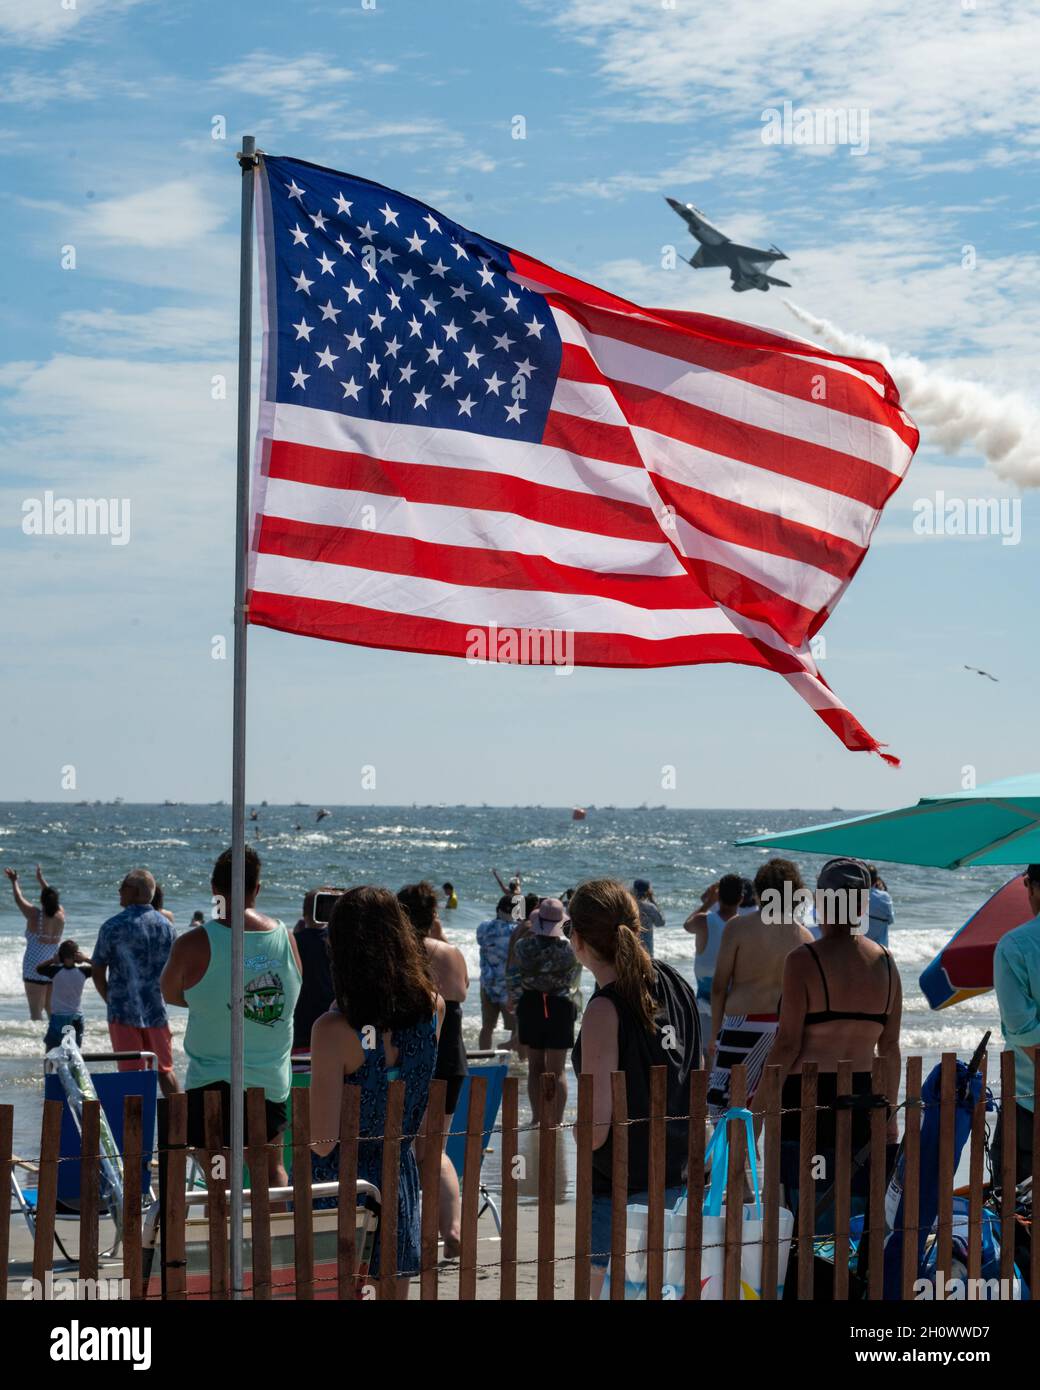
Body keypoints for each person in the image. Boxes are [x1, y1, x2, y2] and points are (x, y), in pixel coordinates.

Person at [568, 879, 701, 1297]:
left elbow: (596, 1130)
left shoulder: (604, 1009)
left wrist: (573, 1129)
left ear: (579, 940)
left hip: (621, 1191)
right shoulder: (677, 984)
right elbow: (694, 1076)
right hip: (678, 1177)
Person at [310, 887, 443, 1295]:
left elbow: (321, 1140)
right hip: (397, 1174)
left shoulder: (333, 1031)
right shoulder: (433, 1007)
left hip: (342, 1185)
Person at [765, 858, 901, 1211]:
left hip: (808, 1100)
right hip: (863, 1096)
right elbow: (889, 1047)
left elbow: (788, 1043)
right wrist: (890, 1113)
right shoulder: (886, 961)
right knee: (852, 1207)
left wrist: (759, 1104)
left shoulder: (802, 961)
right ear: (861, 906)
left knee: (802, 1207)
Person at [160, 847, 301, 1175]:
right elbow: (291, 995)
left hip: (211, 1079)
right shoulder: (286, 940)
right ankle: (276, 1227)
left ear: (213, 889)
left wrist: (212, 1003)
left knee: (217, 1172)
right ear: (257, 889)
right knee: (271, 1167)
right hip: (269, 1079)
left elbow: (170, 994)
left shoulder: (192, 944)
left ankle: (222, 1227)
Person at [707, 859, 814, 1120]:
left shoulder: (738, 927)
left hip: (740, 1026)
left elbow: (719, 986)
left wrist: (714, 1035)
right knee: (767, 1109)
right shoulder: (804, 937)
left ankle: (737, 1160)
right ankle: (757, 1159)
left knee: (725, 1110)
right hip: (781, 1031)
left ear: (759, 890)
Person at [397, 881, 469, 1258]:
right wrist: (440, 934)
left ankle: (424, 1235)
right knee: (437, 1148)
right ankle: (451, 1228)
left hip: (420, 1053)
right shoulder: (452, 953)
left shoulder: (401, 953)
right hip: (453, 1057)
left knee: (412, 1148)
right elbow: (464, 990)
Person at [93, 868, 179, 1097]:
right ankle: (183, 1126)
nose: (119, 891)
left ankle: (135, 1130)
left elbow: (97, 970)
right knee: (165, 1071)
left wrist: (110, 1000)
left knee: (130, 1077)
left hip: (123, 1012)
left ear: (134, 891)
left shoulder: (112, 927)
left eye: (122, 886)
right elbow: (175, 970)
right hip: (157, 1012)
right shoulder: (167, 927)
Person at [506, 897, 580, 1124]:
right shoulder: (570, 950)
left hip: (531, 1005)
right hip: (560, 1007)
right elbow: (574, 982)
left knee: (535, 1067)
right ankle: (556, 1120)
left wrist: (516, 1001)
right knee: (557, 1071)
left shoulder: (523, 946)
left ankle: (537, 1117)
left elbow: (513, 977)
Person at [992, 863, 1040, 1187]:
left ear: (1033, 886)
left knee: (1016, 1212)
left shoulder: (1015, 945)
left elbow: (1022, 1028)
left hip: (1028, 1101)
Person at [684, 873, 745, 1035]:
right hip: (734, 1008)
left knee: (705, 1056)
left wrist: (709, 902)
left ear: (719, 897)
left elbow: (686, 925)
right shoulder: (744, 927)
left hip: (704, 1004)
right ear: (741, 898)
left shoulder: (703, 921)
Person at [6, 864, 65, 1019]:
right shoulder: (60, 915)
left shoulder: (35, 915)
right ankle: (56, 1037)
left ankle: (39, 1042)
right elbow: (52, 898)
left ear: (42, 900)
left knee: (35, 1011)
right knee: (50, 1009)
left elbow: (19, 899)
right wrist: (40, 880)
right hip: (54, 964)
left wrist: (14, 881)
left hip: (35, 966)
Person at [292, 887, 338, 1055]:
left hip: (300, 1022)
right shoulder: (337, 942)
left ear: (304, 914)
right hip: (330, 1019)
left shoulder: (294, 941)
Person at [476, 894, 518, 1049]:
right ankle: (513, 1062)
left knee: (487, 1027)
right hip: (508, 988)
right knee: (515, 1028)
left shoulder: (483, 927)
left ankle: (483, 1057)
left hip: (487, 983)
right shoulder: (516, 930)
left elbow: (481, 941)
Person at [38, 941, 93, 1051]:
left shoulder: (55, 970)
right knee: (74, 1052)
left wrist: (53, 960)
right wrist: (86, 959)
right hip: (76, 1016)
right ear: (76, 955)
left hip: (59, 1017)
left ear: (60, 955)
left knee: (52, 1051)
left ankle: (51, 1068)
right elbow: (100, 968)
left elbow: (39, 969)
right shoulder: (84, 971)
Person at [632, 879, 663, 957]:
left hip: (631, 948)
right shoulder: (649, 906)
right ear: (648, 891)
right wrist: (652, 900)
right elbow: (660, 923)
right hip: (647, 949)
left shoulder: (628, 905)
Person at [866, 865, 895, 947]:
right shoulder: (885, 896)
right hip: (880, 947)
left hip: (859, 947)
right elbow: (891, 920)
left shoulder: (855, 895)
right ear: (875, 880)